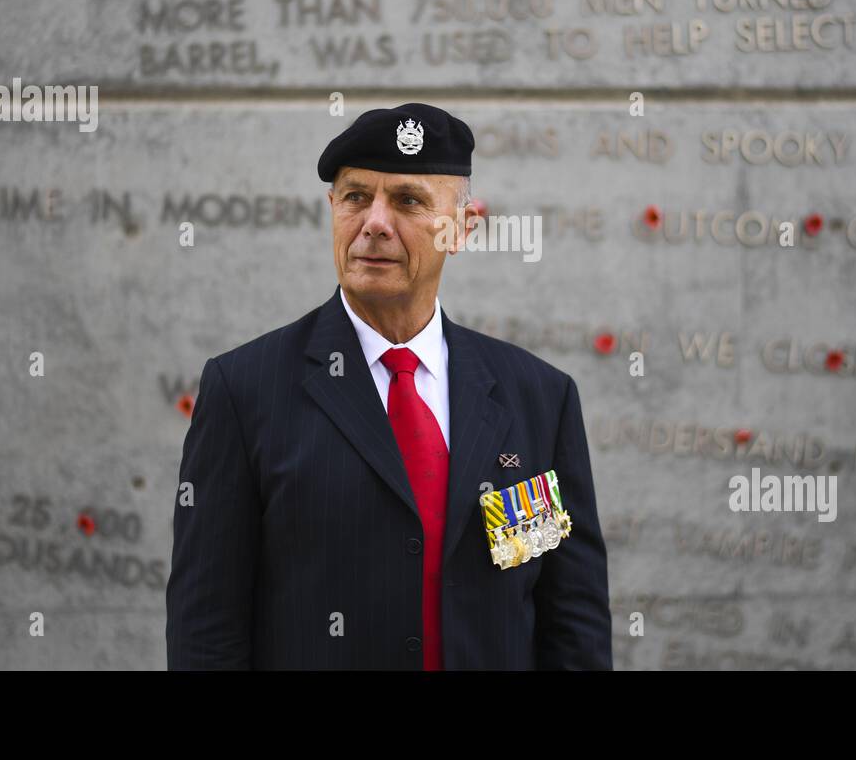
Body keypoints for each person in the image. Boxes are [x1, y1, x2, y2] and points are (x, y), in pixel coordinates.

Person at [165, 102, 612, 669]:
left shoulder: (538, 398)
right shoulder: (245, 390)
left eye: (407, 201)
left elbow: (571, 622)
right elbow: (206, 629)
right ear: (333, 209)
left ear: (462, 228)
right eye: (355, 197)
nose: (375, 222)